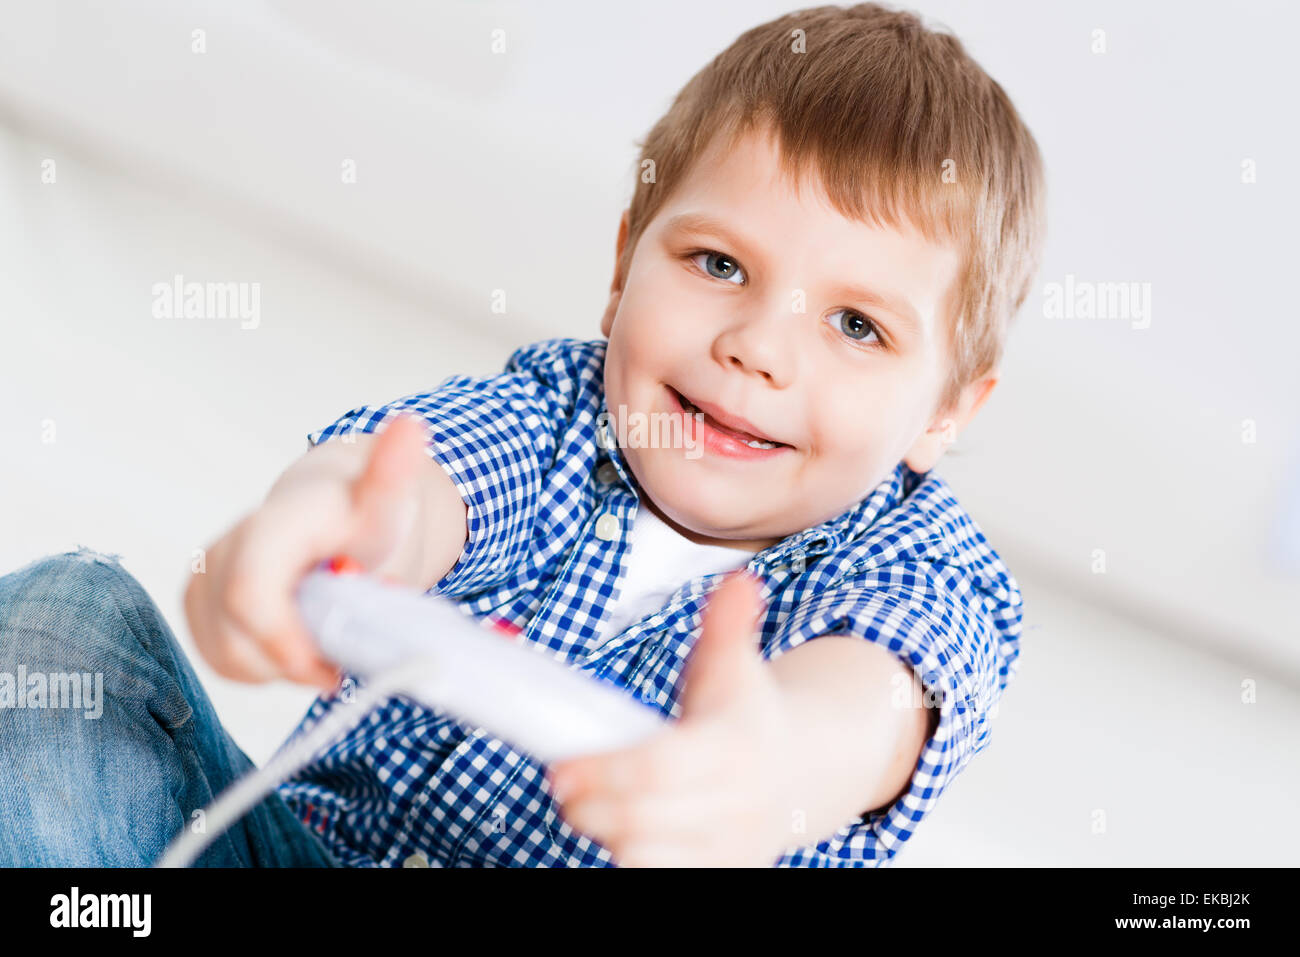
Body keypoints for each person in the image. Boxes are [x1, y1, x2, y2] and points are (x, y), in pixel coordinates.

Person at [0, 2, 1044, 867]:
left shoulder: (921, 572)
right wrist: (328, 522)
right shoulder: (562, 414)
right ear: (625, 261)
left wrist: (769, 768)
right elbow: (422, 484)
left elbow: (870, 705)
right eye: (717, 265)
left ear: (947, 410)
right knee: (64, 623)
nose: (757, 348)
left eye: (856, 326)